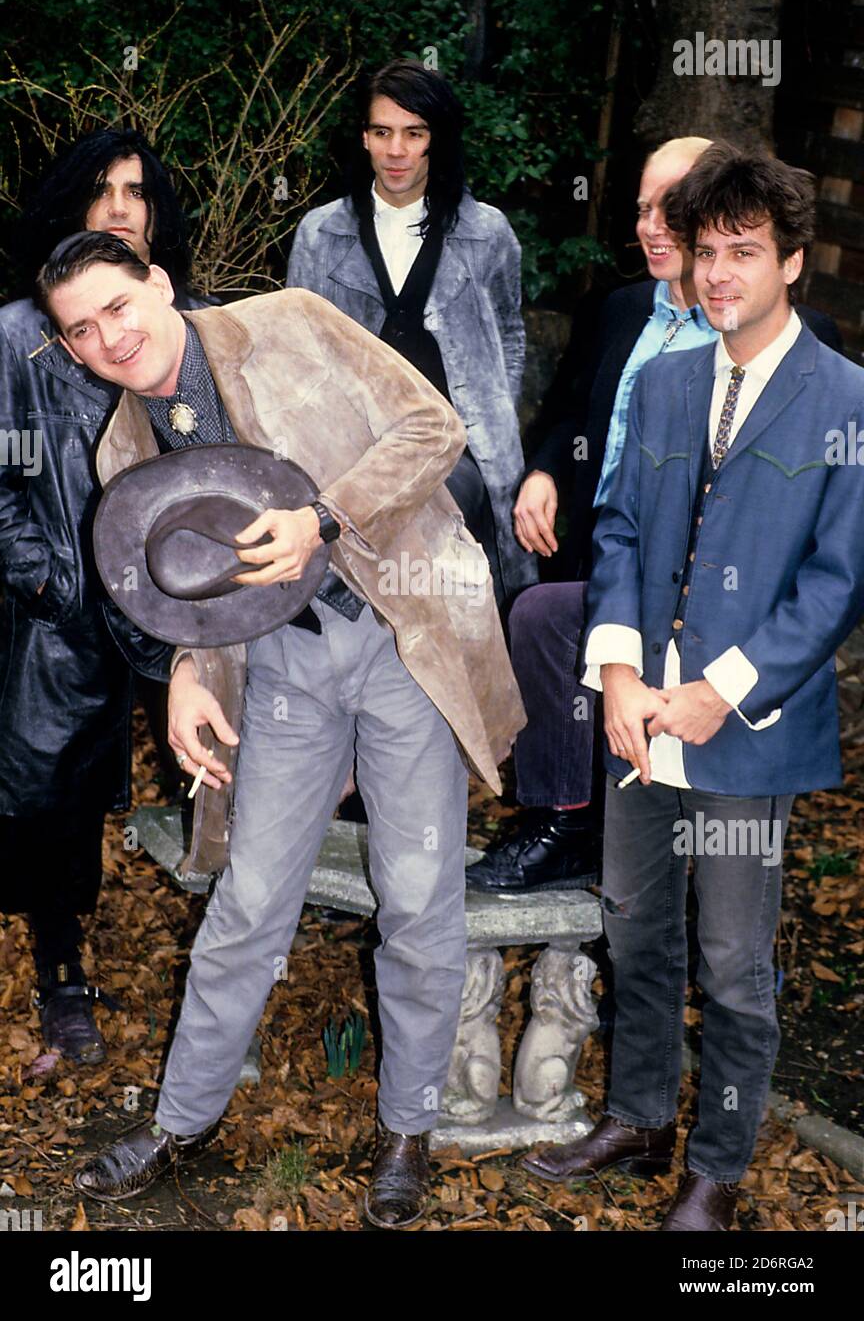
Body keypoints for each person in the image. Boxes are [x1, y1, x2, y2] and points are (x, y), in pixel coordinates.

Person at [37, 232, 525, 1228]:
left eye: (116, 308)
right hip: (284, 674)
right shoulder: (122, 448)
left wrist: (326, 516)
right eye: (80, 331)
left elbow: (435, 426)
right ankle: (181, 1121)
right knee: (249, 901)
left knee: (419, 895)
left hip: (402, 636)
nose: (107, 339)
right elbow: (180, 603)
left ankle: (408, 1127)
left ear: (157, 285)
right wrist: (183, 673)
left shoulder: (290, 325)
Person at [523, 143, 864, 1232]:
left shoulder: (844, 399)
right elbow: (616, 524)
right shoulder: (665, 380)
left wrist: (718, 689)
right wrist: (616, 668)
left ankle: (715, 1168)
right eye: (707, 251)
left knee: (731, 957)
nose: (718, 274)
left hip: (743, 728)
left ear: (795, 263)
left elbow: (839, 580)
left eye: (745, 253)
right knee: (636, 928)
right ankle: (638, 1116)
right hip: (641, 718)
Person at [467, 136, 843, 894]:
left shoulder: (776, 342)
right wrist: (543, 470)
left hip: (717, 600)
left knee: (724, 947)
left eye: (671, 207)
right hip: (611, 560)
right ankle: (567, 818)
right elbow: (572, 407)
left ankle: (613, 828)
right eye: (642, 207)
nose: (652, 225)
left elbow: (818, 555)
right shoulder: (621, 310)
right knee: (541, 617)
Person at [0, 129, 207, 1064]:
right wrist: (37, 571)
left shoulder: (184, 324)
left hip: (178, 604)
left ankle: (230, 969)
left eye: (138, 190)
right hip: (63, 601)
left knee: (224, 762)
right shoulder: (19, 334)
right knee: (54, 793)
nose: (122, 205)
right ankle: (62, 975)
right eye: (102, 189)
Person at [286, 57, 536, 607]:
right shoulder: (319, 235)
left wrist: (492, 413)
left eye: (414, 133)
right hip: (351, 453)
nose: (397, 151)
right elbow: (296, 355)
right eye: (383, 132)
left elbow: (509, 337)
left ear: (435, 140)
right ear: (364, 138)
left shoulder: (487, 232)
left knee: (455, 581)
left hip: (459, 455)